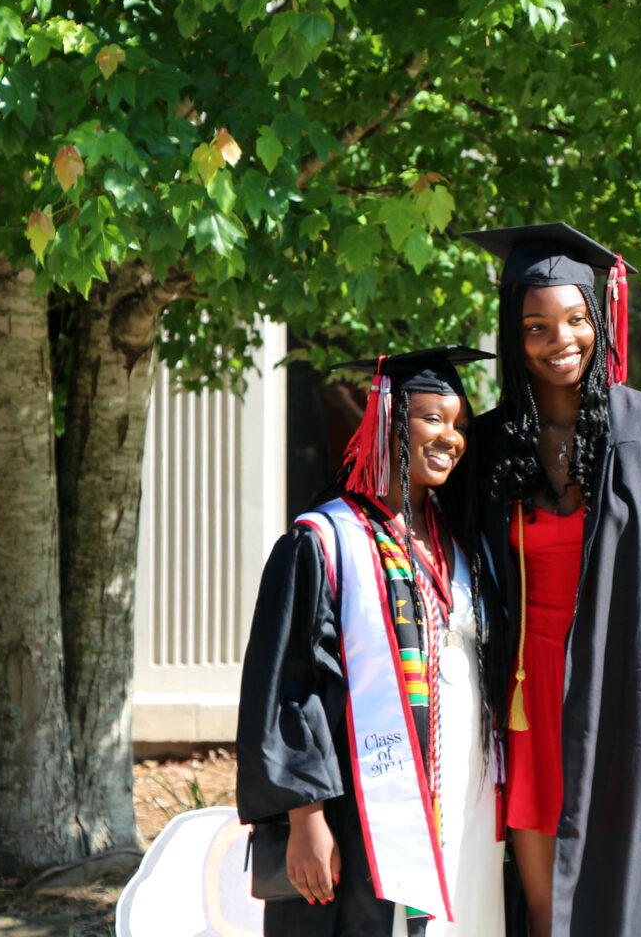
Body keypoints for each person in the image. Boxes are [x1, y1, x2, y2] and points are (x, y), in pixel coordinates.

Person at [457, 223, 641, 937]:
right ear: (513, 336)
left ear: (600, 320)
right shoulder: (489, 449)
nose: (562, 340)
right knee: (547, 908)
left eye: (577, 320)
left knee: (633, 894)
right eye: (537, 327)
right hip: (529, 697)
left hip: (633, 695)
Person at [236, 346, 505, 937]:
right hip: (361, 805)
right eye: (433, 418)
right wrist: (304, 816)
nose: (451, 437)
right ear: (388, 418)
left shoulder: (459, 544)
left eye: (459, 425)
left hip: (461, 792)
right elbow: (286, 687)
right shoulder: (325, 540)